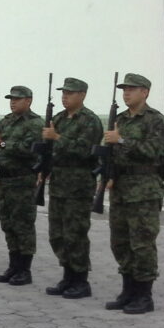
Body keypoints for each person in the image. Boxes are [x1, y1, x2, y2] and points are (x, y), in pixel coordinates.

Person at [102, 73, 164, 313]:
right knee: (120, 241)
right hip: (121, 187)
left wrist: (121, 140)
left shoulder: (155, 120)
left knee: (142, 243)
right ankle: (128, 290)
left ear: (145, 92)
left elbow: (154, 151)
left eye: (132, 89)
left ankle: (144, 295)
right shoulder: (120, 119)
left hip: (144, 189)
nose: (126, 93)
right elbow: (112, 154)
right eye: (124, 89)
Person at [42, 78, 103, 298]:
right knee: (57, 233)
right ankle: (67, 276)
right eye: (63, 93)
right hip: (59, 183)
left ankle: (80, 280)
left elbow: (85, 149)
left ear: (82, 95)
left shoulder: (90, 120)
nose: (64, 96)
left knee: (75, 233)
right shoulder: (58, 118)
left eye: (70, 93)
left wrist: (57, 137)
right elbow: (49, 149)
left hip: (78, 185)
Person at [0, 85, 44, 285]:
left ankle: (24, 269)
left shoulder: (35, 123)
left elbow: (31, 149)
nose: (13, 102)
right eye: (11, 98)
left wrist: (3, 144)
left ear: (28, 100)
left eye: (17, 99)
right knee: (8, 223)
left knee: (23, 224)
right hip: (5, 178)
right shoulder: (6, 122)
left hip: (23, 179)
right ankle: (13, 265)